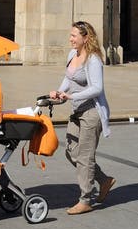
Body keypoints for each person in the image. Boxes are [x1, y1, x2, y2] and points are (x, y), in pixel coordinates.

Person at [49, 21, 115, 214]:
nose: (70, 39)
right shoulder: (72, 54)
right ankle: (104, 180)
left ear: (86, 38)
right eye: (70, 35)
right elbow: (68, 78)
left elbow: (97, 88)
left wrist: (71, 96)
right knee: (72, 152)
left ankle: (85, 200)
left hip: (92, 112)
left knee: (85, 157)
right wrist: (59, 92)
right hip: (77, 111)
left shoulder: (93, 59)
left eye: (74, 36)